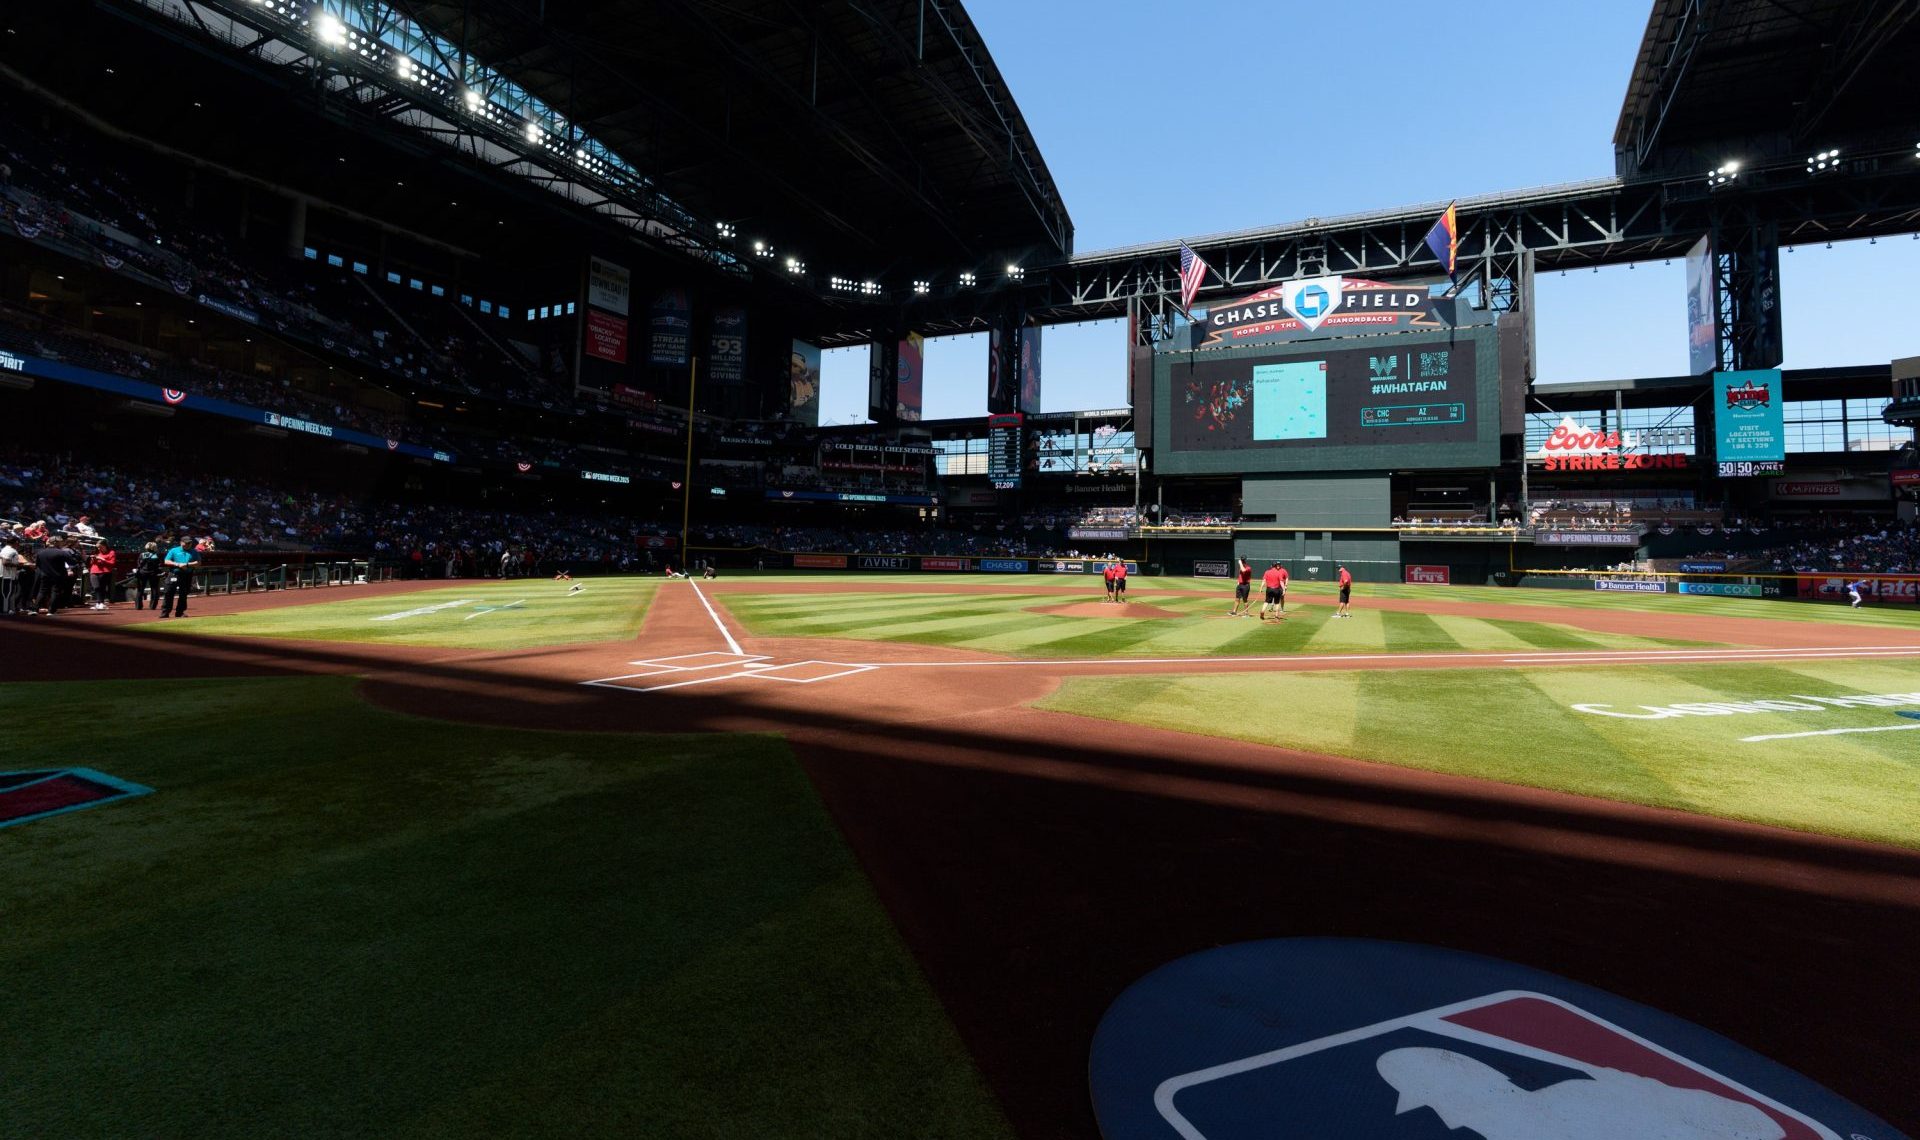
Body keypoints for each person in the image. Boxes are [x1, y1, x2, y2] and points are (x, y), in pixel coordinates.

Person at [1375, 1046, 1784, 1140]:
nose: (1450, 1118)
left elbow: (1760, 1128)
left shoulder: (1589, 1097)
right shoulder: (1587, 1095)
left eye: (1445, 1098)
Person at [31, 538, 77, 616]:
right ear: (56, 543)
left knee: (42, 591)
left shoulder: (40, 552)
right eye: (60, 542)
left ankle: (35, 609)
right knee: (55, 592)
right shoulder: (61, 552)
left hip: (44, 575)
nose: (61, 544)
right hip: (58, 575)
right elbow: (72, 562)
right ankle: (51, 611)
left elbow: (37, 565)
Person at [158, 536, 201, 619]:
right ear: (181, 542)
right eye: (187, 543)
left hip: (187, 575)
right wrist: (177, 564)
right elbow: (166, 561)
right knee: (168, 592)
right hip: (174, 574)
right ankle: (165, 612)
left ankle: (180, 612)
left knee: (183, 594)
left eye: (190, 543)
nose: (188, 544)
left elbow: (198, 563)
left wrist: (187, 564)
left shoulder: (194, 551)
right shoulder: (174, 550)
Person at [0, 534, 26, 616]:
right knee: (6, 593)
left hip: (7, 575)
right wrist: (19, 565)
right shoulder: (10, 550)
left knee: (7, 593)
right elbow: (5, 562)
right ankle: (5, 610)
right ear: (16, 542)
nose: (19, 544)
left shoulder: (6, 549)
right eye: (18, 542)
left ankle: (6, 610)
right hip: (7, 575)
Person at [132, 542, 162, 610]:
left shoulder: (142, 554)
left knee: (140, 590)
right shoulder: (156, 555)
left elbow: (139, 564)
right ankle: (152, 606)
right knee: (154, 590)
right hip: (153, 573)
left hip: (142, 573)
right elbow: (159, 565)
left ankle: (138, 606)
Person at [88, 542, 118, 611]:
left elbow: (112, 563)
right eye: (98, 547)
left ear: (105, 546)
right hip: (94, 571)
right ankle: (100, 602)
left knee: (102, 588)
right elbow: (91, 563)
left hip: (105, 572)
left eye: (100, 547)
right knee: (96, 587)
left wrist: (102, 559)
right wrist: (93, 559)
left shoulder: (111, 552)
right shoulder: (96, 552)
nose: (99, 549)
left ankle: (100, 603)